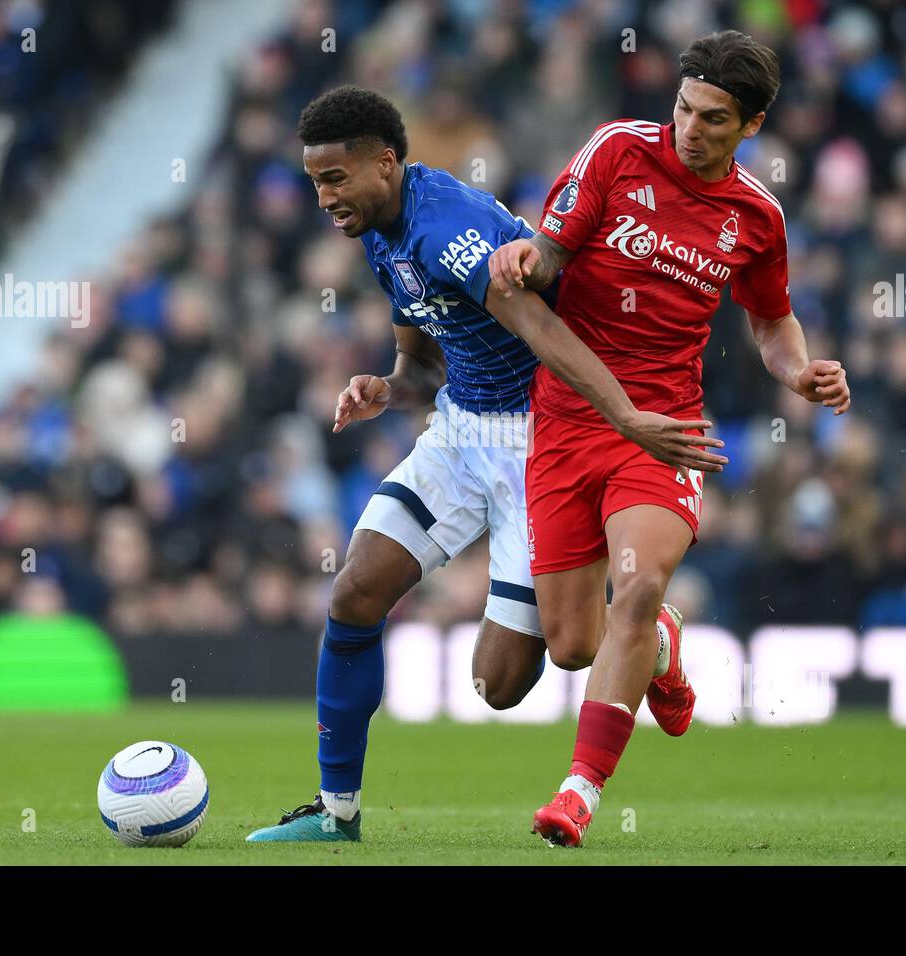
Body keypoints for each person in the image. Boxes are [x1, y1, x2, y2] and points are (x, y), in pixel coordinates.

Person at [247, 86, 712, 843]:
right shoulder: (374, 227)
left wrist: (625, 416)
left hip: (543, 436)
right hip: (462, 430)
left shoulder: (446, 229)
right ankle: (336, 815)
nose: (323, 197)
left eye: (334, 178)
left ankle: (653, 638)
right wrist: (388, 388)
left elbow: (543, 330)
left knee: (515, 677)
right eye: (314, 181)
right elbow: (422, 358)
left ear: (386, 164)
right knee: (355, 592)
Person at [487, 31, 852, 847]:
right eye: (684, 108)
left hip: (663, 430)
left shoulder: (757, 215)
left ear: (750, 125)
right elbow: (549, 255)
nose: (689, 128)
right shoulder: (617, 150)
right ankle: (661, 651)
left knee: (640, 582)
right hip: (567, 421)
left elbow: (771, 321)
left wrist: (797, 372)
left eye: (714, 119)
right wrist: (523, 261)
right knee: (574, 644)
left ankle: (579, 793)